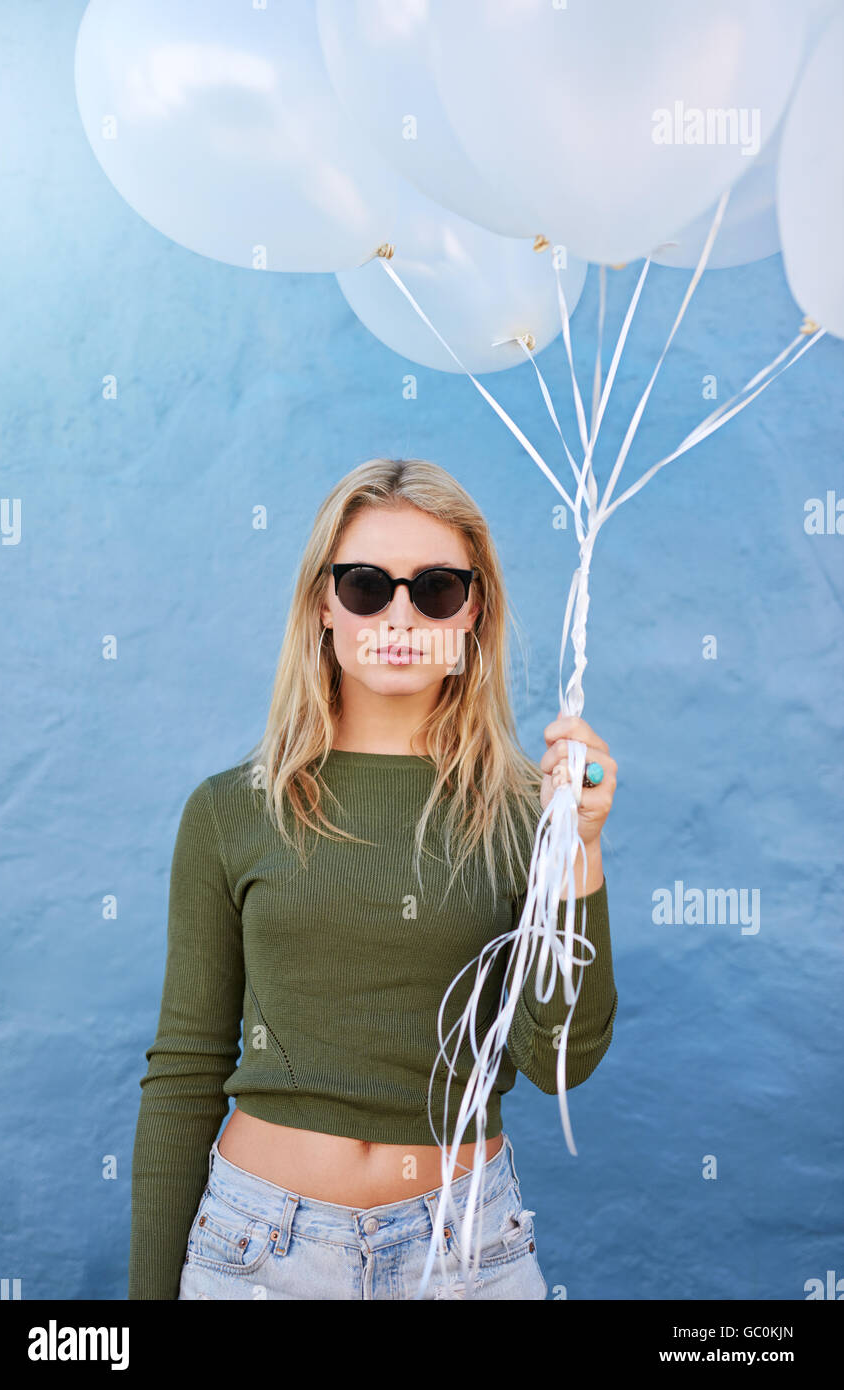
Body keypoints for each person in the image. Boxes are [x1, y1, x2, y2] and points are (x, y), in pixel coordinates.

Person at [127, 457, 618, 1300]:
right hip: (256, 1253)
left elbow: (559, 1061)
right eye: (365, 585)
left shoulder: (526, 812)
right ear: (323, 602)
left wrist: (577, 853)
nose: (399, 614)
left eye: (434, 588)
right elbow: (184, 1069)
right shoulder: (230, 811)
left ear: (474, 609)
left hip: (464, 1255)